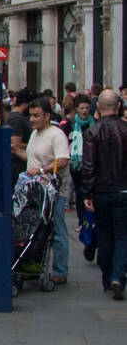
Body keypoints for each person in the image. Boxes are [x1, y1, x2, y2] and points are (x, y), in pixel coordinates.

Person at [82, 90, 127, 299]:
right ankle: (118, 276)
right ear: (118, 106)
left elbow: (88, 166)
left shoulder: (93, 132)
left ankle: (109, 276)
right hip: (123, 189)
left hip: (101, 190)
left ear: (98, 107)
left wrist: (87, 192)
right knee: (123, 235)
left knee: (105, 234)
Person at [21, 96, 70, 284]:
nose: (32, 119)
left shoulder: (56, 135)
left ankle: (60, 271)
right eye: (31, 115)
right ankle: (34, 264)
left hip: (53, 192)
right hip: (35, 191)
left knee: (57, 230)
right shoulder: (35, 133)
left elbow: (63, 160)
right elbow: (32, 156)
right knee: (35, 230)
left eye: (36, 115)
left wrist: (42, 170)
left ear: (47, 116)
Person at [61, 94, 95, 247]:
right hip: (76, 165)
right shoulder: (70, 124)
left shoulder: (93, 124)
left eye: (87, 108)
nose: (85, 111)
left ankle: (90, 220)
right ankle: (83, 221)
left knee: (89, 194)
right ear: (76, 109)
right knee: (81, 193)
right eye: (82, 108)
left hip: (91, 164)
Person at [7, 87, 36, 188]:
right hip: (18, 164)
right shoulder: (17, 120)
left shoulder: (21, 118)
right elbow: (16, 143)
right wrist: (34, 145)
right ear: (25, 104)